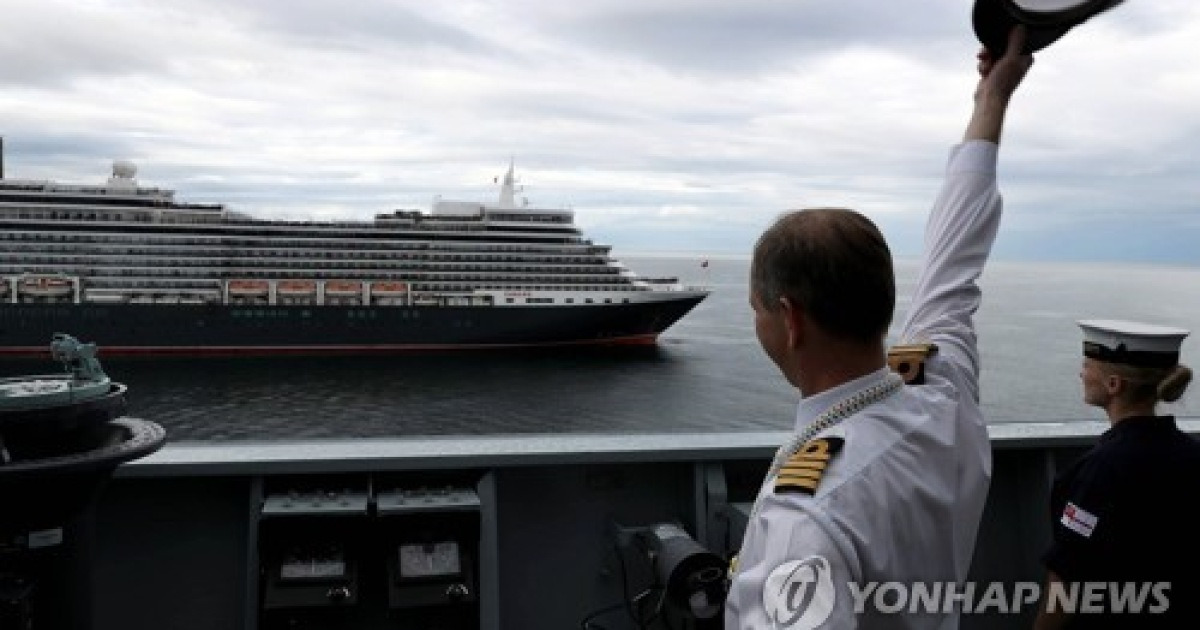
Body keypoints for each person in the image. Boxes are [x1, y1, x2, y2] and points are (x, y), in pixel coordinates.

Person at [723, 26, 1034, 629]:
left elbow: (956, 252)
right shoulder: (940, 392)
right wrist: (990, 100)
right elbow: (956, 249)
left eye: (756, 306)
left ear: (790, 319)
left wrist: (992, 97)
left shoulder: (805, 518)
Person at [1032, 320, 1200, 629]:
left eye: (1087, 365)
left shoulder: (1099, 472)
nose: (1081, 373)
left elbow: (1067, 575)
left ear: (1113, 385)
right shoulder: (1192, 456)